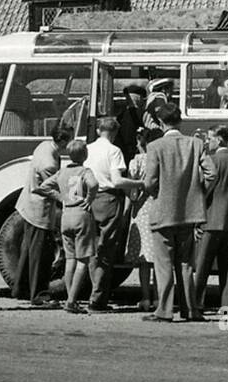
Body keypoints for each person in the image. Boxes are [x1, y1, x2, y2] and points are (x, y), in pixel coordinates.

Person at [142, 103, 215, 323]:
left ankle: (164, 311)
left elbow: (150, 182)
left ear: (161, 122)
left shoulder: (155, 146)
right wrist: (199, 194)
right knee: (185, 264)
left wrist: (154, 191)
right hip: (189, 213)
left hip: (163, 211)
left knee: (163, 264)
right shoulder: (196, 144)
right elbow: (211, 173)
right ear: (180, 121)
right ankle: (191, 309)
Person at [39, 139, 99, 314]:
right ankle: (72, 301)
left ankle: (68, 297)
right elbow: (94, 184)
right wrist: (89, 199)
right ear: (85, 155)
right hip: (81, 215)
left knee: (70, 260)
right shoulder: (85, 171)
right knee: (83, 260)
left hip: (66, 216)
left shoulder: (62, 172)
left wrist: (61, 198)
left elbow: (43, 187)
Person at [194, 126, 228, 314]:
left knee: (202, 266)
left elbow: (201, 193)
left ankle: (197, 304)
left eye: (210, 138)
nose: (207, 142)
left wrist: (197, 221)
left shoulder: (210, 162)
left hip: (209, 221)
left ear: (219, 140)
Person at [13, 123, 69, 308]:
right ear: (61, 140)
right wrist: (66, 200)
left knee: (28, 249)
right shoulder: (49, 164)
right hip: (39, 210)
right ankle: (39, 295)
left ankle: (21, 288)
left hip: (28, 205)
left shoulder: (44, 145)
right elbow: (49, 188)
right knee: (41, 254)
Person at [84, 116, 128, 313]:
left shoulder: (88, 149)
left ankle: (87, 293)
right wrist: (137, 184)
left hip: (88, 199)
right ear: (115, 132)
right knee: (106, 250)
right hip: (109, 199)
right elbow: (117, 181)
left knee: (92, 249)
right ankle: (98, 298)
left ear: (98, 130)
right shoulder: (115, 151)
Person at [124, 132, 156, 312]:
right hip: (159, 208)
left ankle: (145, 298)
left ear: (140, 142)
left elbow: (132, 190)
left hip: (142, 210)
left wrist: (128, 207)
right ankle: (160, 298)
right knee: (159, 258)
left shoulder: (136, 161)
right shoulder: (160, 158)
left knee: (143, 260)